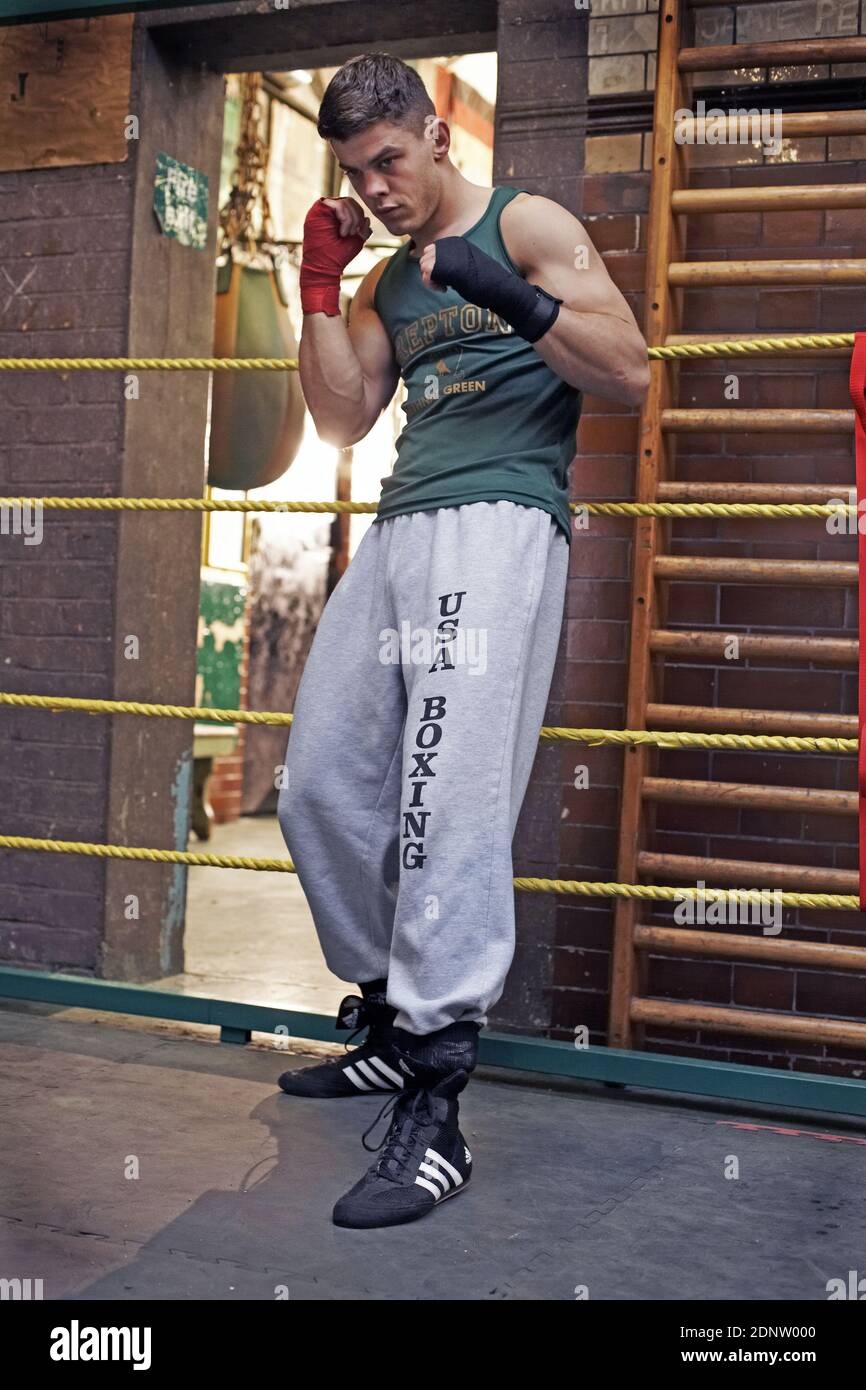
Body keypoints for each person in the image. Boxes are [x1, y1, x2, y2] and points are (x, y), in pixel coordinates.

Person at [276, 52, 649, 1230]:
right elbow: (340, 415)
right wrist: (323, 288)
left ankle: (436, 1111)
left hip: (498, 525)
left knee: (445, 804)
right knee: (319, 785)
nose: (376, 186)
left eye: (388, 159)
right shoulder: (388, 276)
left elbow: (629, 374)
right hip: (400, 527)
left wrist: (515, 295)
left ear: (434, 136)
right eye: (356, 172)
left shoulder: (526, 218)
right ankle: (390, 1017)